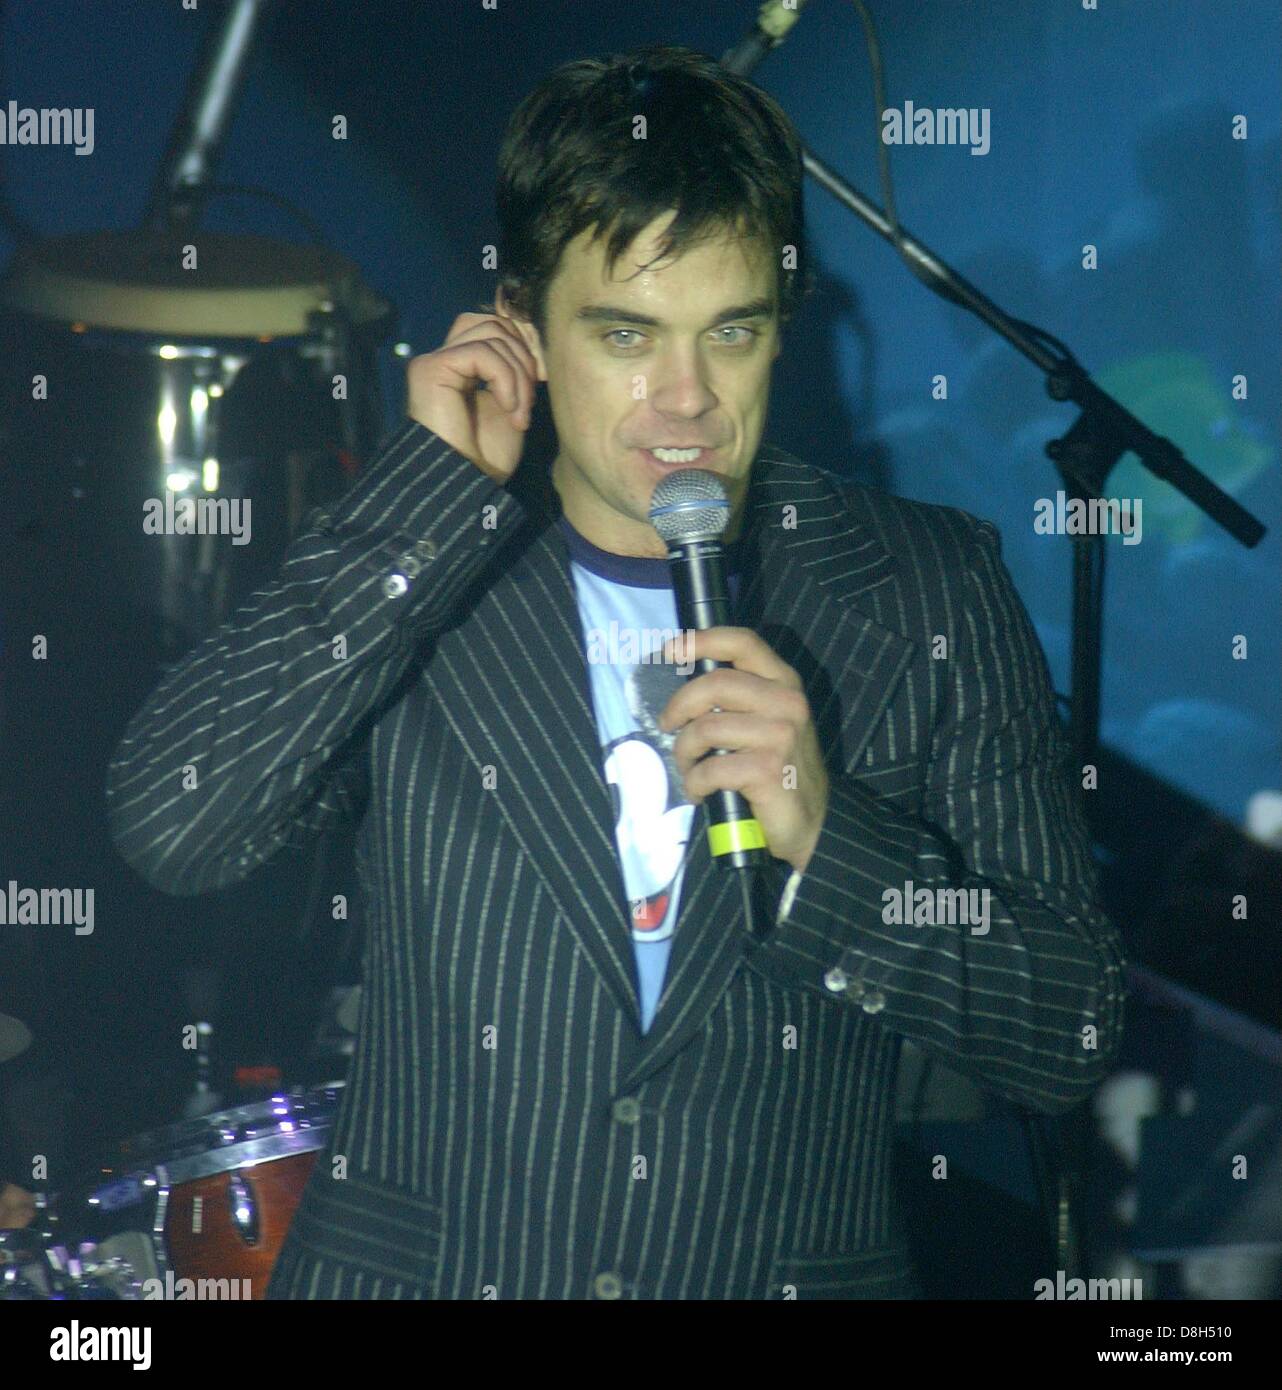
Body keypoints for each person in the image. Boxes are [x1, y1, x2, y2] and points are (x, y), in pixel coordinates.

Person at [105, 44, 1126, 1300]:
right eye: (627, 333)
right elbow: (174, 820)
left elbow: (1068, 1028)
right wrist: (425, 504)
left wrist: (831, 847)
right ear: (521, 327)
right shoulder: (429, 558)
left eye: (731, 332)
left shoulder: (924, 586)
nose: (685, 400)